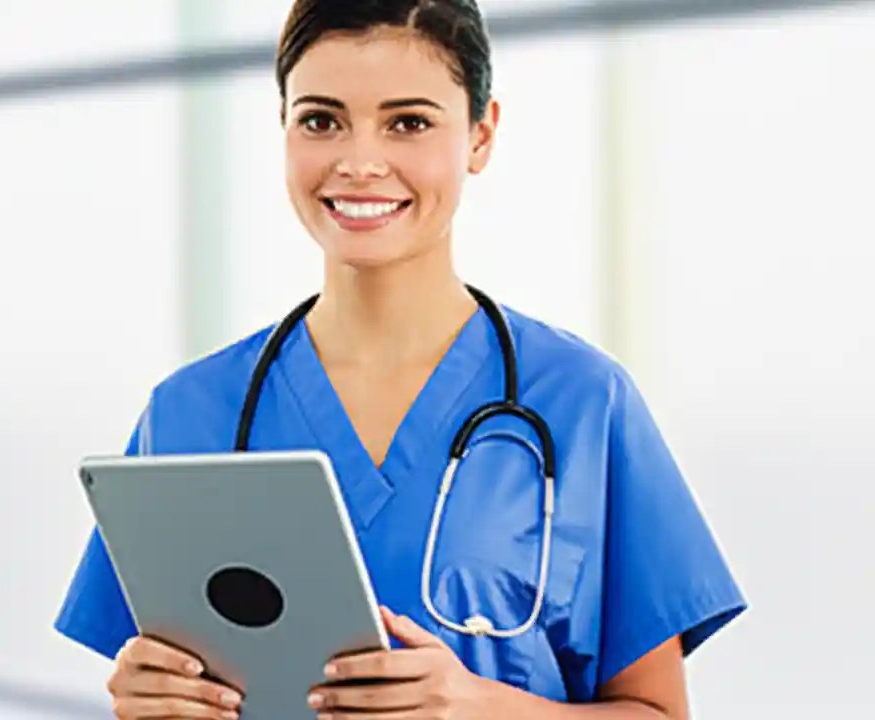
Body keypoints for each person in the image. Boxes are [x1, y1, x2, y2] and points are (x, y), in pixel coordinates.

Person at [54, 1, 746, 718]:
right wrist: (148, 700)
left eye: (408, 122)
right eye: (321, 120)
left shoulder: (579, 402)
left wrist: (480, 707)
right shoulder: (190, 412)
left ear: (480, 135)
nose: (359, 161)